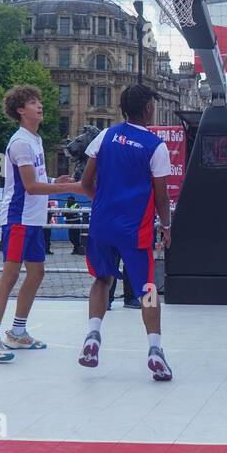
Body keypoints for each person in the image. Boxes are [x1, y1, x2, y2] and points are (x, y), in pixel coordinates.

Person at [0, 85, 86, 363]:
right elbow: (29, 187)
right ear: (20, 110)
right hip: (18, 218)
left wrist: (55, 181)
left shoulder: (35, 140)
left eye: (39, 101)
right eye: (33, 102)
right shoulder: (21, 143)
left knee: (37, 274)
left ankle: (17, 332)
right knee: (10, 275)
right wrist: (76, 186)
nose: (40, 105)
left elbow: (37, 181)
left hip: (33, 219)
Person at [78, 84, 175, 380]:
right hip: (135, 229)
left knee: (102, 279)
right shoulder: (155, 146)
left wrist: (105, 203)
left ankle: (93, 337)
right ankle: (155, 349)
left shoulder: (105, 135)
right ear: (148, 109)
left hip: (102, 224)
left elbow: (85, 183)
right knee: (147, 289)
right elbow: (161, 198)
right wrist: (167, 227)